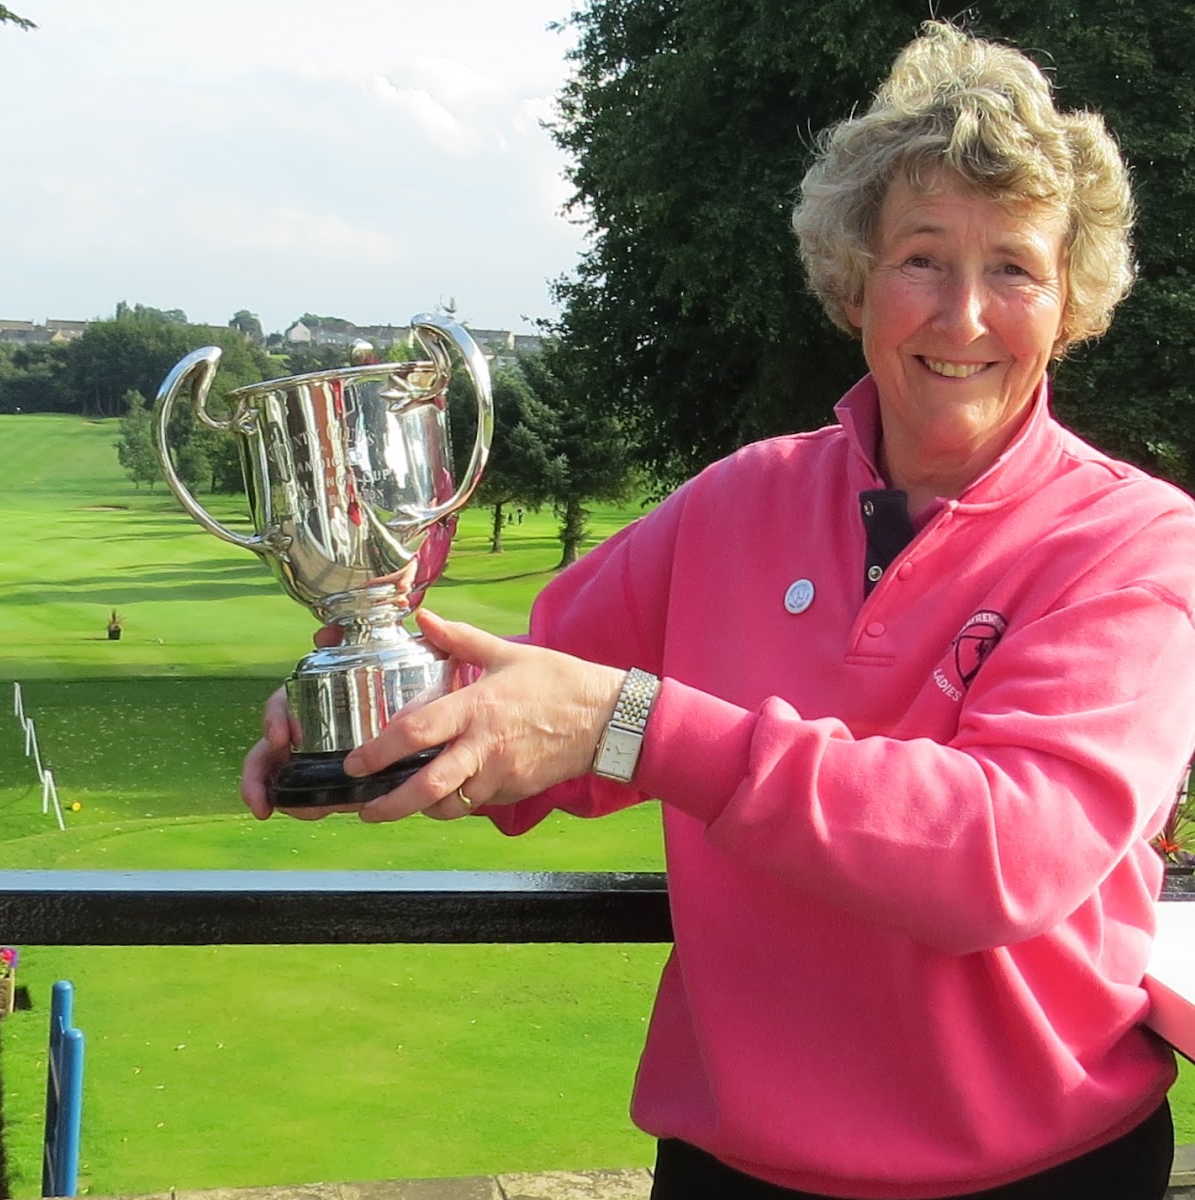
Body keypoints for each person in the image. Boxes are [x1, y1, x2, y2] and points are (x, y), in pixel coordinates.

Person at [241, 22, 1195, 1200]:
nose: (962, 315)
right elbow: (537, 711)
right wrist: (370, 706)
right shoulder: (738, 502)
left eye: (1014, 268)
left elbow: (998, 857)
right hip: (734, 1172)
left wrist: (637, 724)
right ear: (854, 282)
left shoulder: (1136, 543)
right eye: (920, 258)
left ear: (1068, 303)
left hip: (1040, 1174)